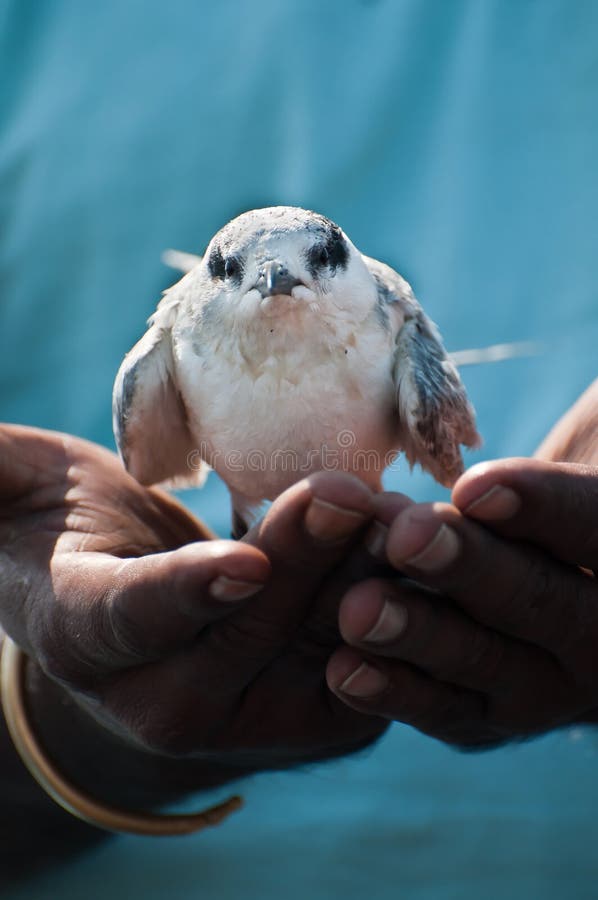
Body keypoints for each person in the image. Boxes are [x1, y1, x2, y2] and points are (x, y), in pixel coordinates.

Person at [1, 2, 597, 897]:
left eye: (317, 259)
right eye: (237, 272)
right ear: (205, 284)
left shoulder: (392, 327)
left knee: (392, 530)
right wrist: (56, 726)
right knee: (274, 557)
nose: (280, 282)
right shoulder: (171, 353)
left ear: (347, 262)